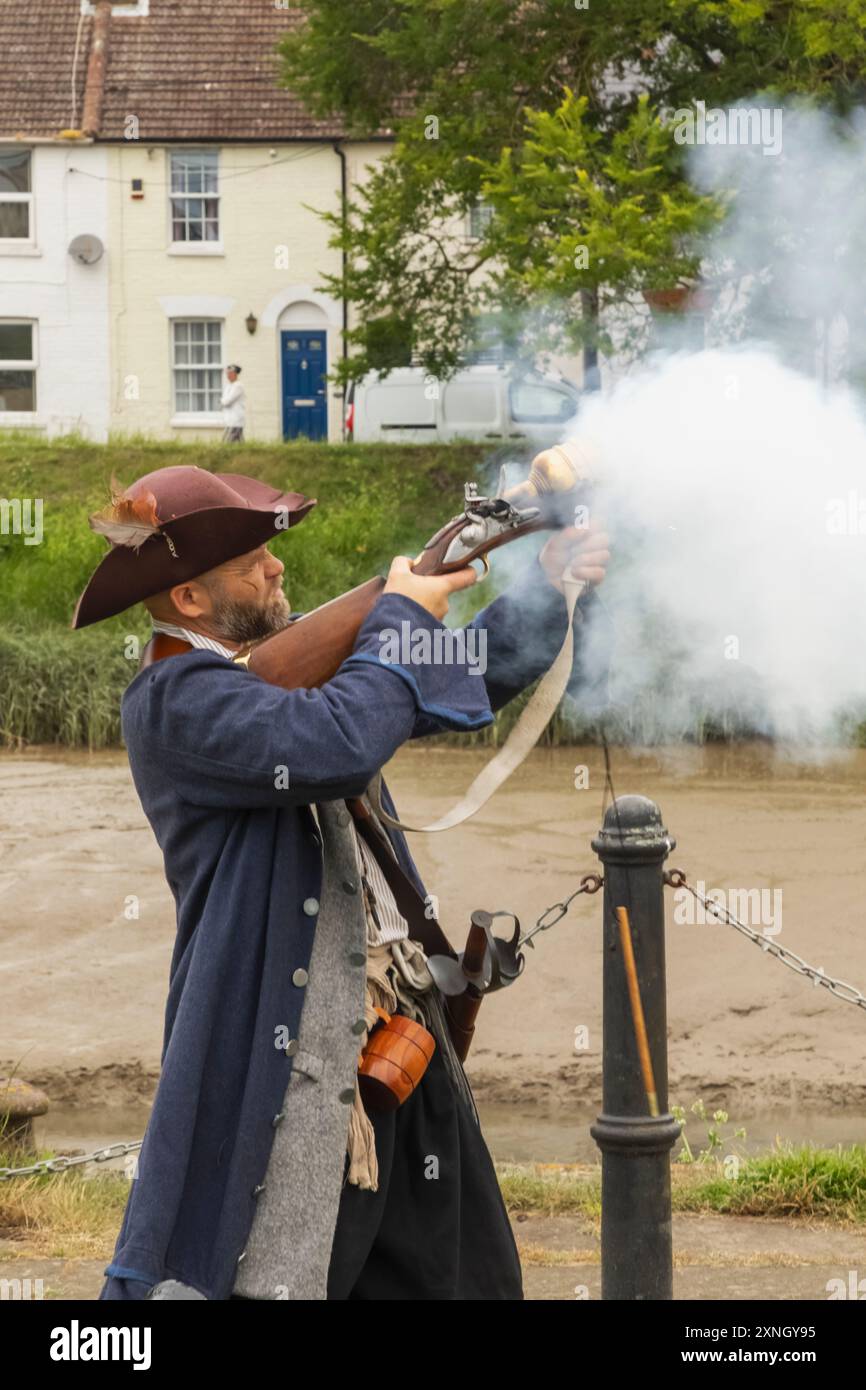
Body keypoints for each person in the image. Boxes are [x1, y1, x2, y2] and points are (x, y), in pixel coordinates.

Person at [71, 460, 609, 1301]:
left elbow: (461, 677)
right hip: (291, 1072)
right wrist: (397, 616)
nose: (277, 566)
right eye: (252, 562)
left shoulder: (278, 677)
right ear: (188, 600)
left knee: (466, 1282)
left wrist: (547, 587)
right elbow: (337, 743)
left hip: (402, 1045)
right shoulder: (174, 701)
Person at [220, 363, 245, 442]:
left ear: (235, 374)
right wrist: (223, 401)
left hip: (236, 421)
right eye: (227, 373)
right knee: (239, 443)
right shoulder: (228, 386)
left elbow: (227, 401)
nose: (228, 375)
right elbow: (224, 399)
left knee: (226, 443)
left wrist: (222, 401)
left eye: (230, 373)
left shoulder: (238, 386)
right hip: (229, 421)